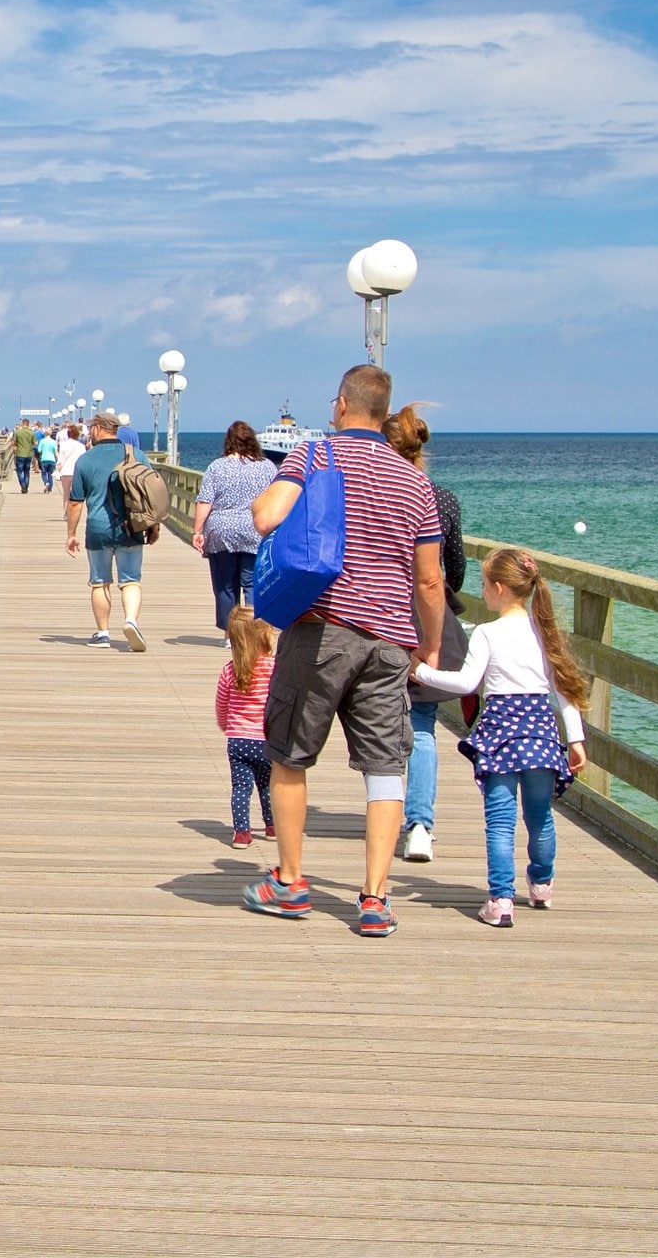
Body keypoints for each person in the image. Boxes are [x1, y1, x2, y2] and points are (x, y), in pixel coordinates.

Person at [239, 364, 445, 938]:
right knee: (385, 768)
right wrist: (426, 644)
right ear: (385, 412)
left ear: (340, 406)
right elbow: (429, 582)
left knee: (289, 755)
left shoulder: (317, 456)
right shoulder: (415, 482)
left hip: (322, 629)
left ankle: (292, 882)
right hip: (390, 643)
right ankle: (375, 899)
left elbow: (265, 515)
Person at [410, 548, 590, 927]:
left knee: (500, 820)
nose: (483, 592)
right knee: (540, 816)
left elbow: (466, 683)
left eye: (484, 586)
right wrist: (575, 739)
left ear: (499, 588)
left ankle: (501, 899)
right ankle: (541, 884)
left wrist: (422, 673)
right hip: (540, 731)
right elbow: (565, 692)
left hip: (501, 734)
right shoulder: (545, 632)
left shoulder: (488, 634)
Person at [384, 403, 468, 863]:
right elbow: (450, 568)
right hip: (423, 620)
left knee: (376, 720)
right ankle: (419, 823)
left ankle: (386, 809)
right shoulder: (441, 497)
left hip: (374, 616)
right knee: (422, 725)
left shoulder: (371, 490)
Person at [63, 410, 148, 653]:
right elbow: (152, 494)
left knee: (100, 582)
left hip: (98, 528)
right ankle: (130, 621)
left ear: (99, 429)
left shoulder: (87, 460)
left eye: (91, 429)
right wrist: (153, 526)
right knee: (131, 580)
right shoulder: (137, 455)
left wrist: (71, 533)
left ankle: (103, 634)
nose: (90, 433)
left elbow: (76, 502)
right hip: (132, 527)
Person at [191, 421, 277, 632]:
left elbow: (205, 502)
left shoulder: (217, 466)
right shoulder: (267, 467)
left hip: (221, 531)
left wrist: (197, 531)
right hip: (254, 530)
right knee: (251, 584)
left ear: (228, 442)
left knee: (225, 585)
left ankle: (230, 634)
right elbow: (275, 499)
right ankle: (252, 631)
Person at [215, 605, 280, 847]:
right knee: (268, 785)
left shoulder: (230, 670)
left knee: (241, 787)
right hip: (267, 739)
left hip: (238, 740)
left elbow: (222, 704)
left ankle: (242, 832)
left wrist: (226, 725)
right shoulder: (273, 668)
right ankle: (272, 826)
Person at [54, 423, 87, 501]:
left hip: (65, 472)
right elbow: (84, 460)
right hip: (77, 472)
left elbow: (60, 459)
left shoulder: (63, 445)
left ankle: (66, 511)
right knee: (77, 495)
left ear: (68, 434)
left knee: (66, 494)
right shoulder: (81, 446)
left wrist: (57, 469)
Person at [11, 420, 38, 493]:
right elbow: (35, 443)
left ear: (22, 424)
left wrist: (15, 446)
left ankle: (22, 484)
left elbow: (13, 442)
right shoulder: (31, 433)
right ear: (28, 424)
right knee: (27, 471)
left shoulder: (17, 432)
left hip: (19, 454)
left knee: (19, 471)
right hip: (29, 454)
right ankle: (26, 486)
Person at [35, 426, 60, 492]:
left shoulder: (42, 441)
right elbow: (56, 451)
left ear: (45, 433)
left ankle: (46, 482)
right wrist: (59, 459)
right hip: (52, 459)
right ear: (51, 433)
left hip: (44, 459)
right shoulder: (54, 442)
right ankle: (50, 488)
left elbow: (39, 450)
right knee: (50, 474)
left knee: (43, 473)